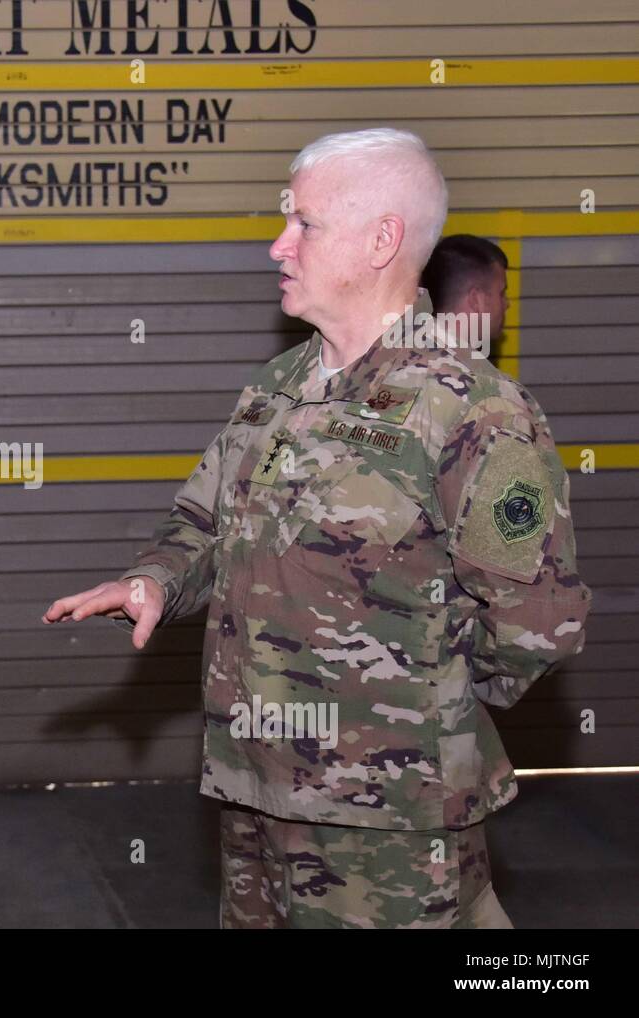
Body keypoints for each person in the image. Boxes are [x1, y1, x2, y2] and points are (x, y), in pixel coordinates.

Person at [43, 128, 590, 928]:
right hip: (253, 784)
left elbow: (539, 625)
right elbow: (202, 521)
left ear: (382, 240)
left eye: (304, 224)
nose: (278, 245)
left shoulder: (474, 409)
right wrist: (154, 580)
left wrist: (418, 699)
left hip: (389, 819)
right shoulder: (280, 385)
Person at [423, 233, 510, 356]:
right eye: (501, 293)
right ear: (476, 300)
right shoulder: (463, 372)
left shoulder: (398, 360)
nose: (507, 304)